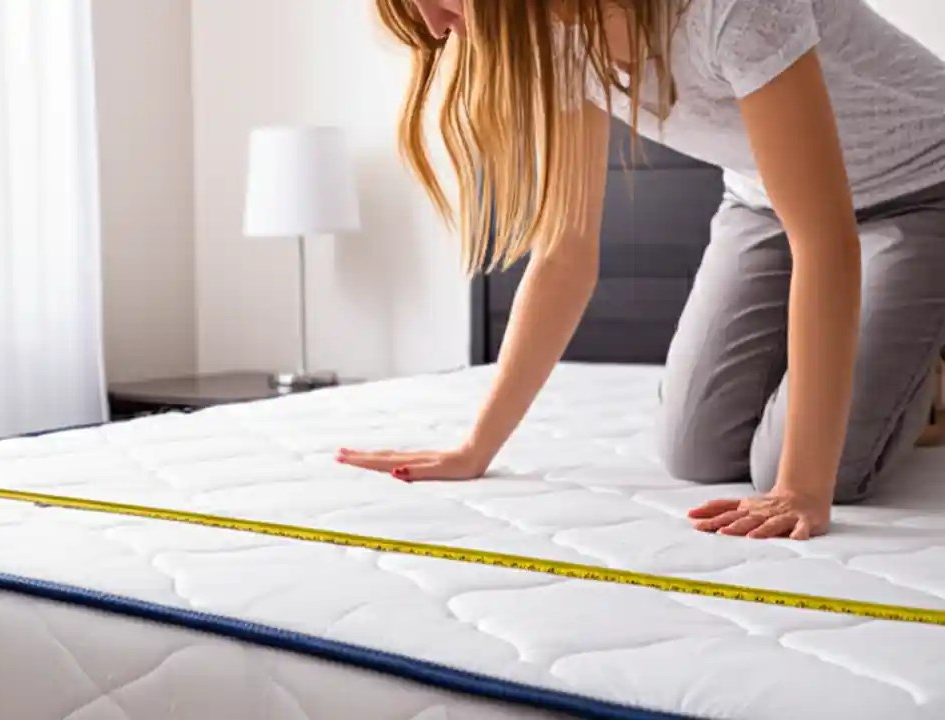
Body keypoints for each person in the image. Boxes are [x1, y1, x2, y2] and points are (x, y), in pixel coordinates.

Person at [336, 0, 945, 541]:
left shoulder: (729, 9)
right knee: (695, 450)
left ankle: (928, 376)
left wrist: (802, 491)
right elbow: (565, 253)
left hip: (922, 185)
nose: (434, 26)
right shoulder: (560, 37)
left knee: (816, 468)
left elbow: (826, 240)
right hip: (765, 204)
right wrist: (475, 448)